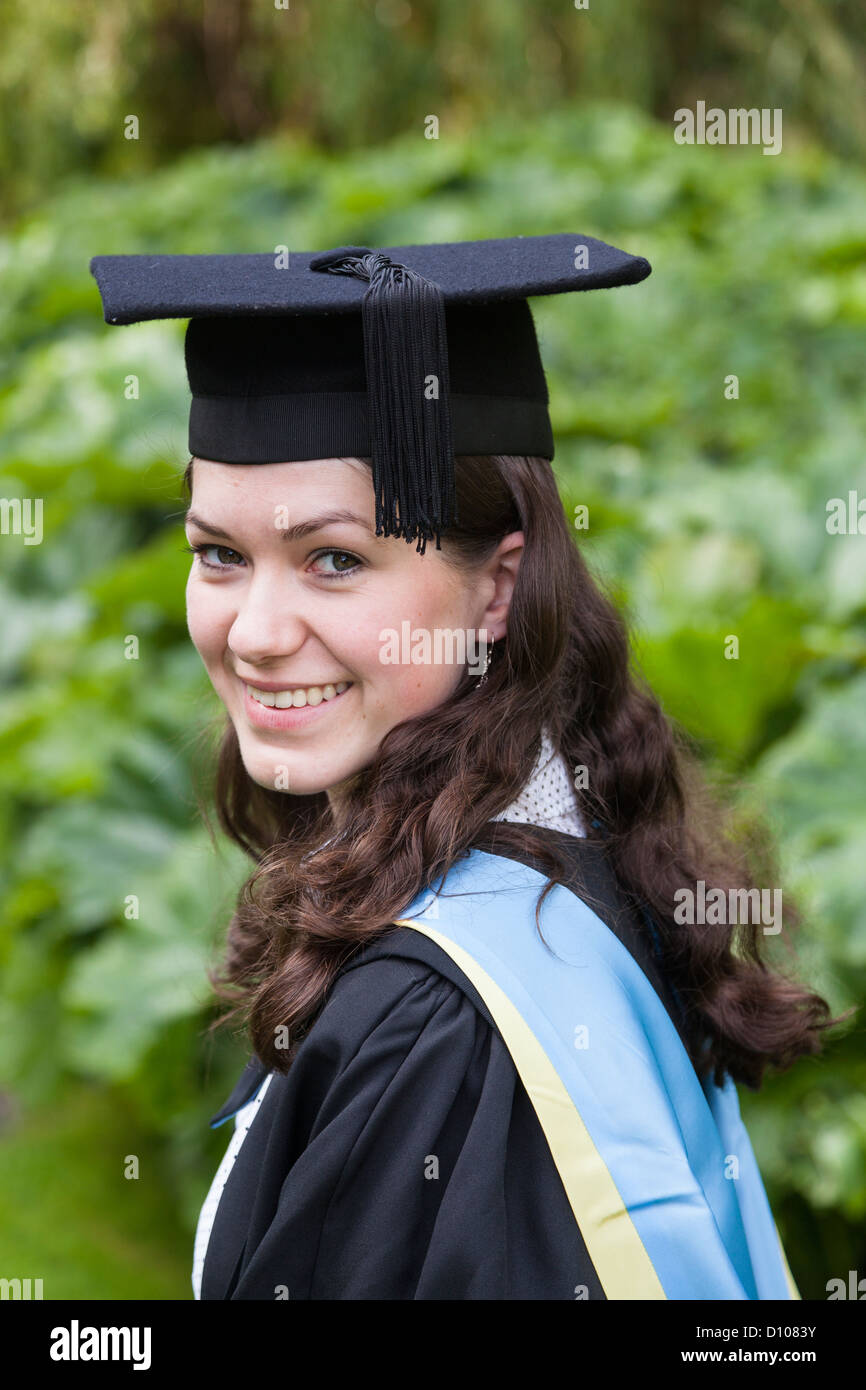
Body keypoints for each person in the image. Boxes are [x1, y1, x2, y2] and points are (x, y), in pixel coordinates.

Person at [90, 235, 837, 1300]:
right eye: (218, 553)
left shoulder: (434, 1023)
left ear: (496, 588)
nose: (252, 632)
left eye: (334, 560)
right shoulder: (576, 854)